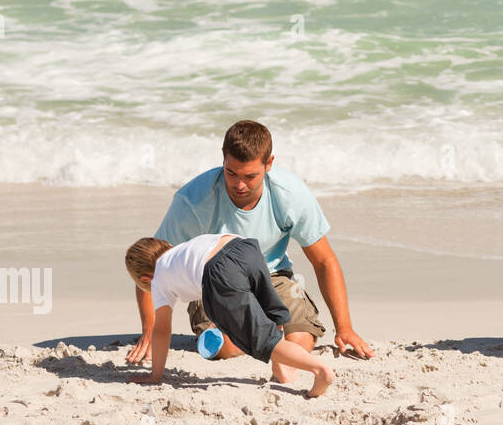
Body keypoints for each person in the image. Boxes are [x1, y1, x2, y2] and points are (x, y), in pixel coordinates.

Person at [126, 120, 374, 365]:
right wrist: (149, 332)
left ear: (269, 164)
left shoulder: (290, 195)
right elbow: (153, 267)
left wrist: (344, 328)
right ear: (223, 160)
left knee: (300, 342)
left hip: (272, 276)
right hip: (210, 282)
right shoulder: (193, 200)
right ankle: (253, 331)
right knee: (229, 347)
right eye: (231, 173)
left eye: (250, 176)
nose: (239, 185)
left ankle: (268, 330)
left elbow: (323, 260)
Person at [125, 234, 334, 396]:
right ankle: (282, 370)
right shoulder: (180, 251)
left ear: (146, 278)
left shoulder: (158, 277)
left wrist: (156, 376)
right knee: (268, 313)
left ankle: (319, 370)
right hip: (244, 246)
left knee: (258, 338)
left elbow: (161, 330)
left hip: (218, 268)